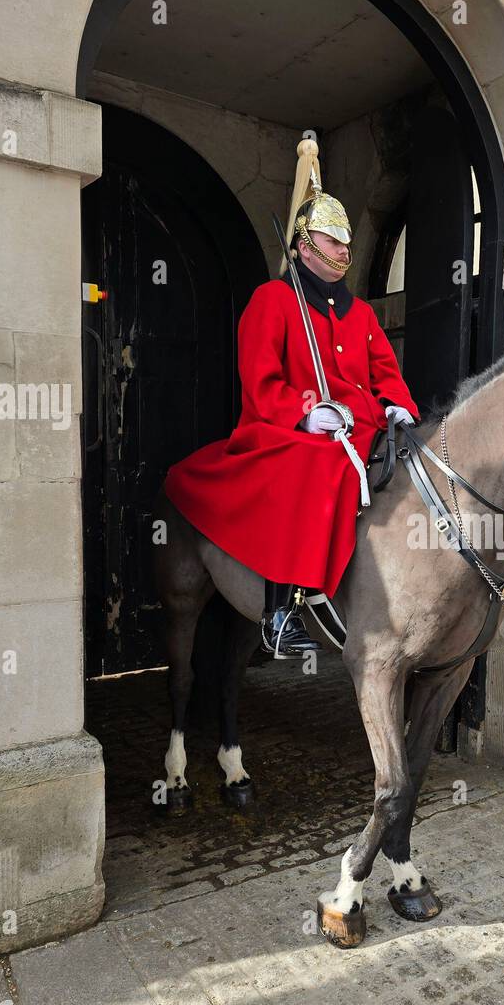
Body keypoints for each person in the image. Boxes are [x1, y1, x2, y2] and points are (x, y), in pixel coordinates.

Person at [163, 138, 419, 657]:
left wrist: (395, 403)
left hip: (362, 425)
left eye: (348, 242)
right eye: (333, 240)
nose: (345, 250)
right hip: (284, 428)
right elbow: (261, 382)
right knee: (314, 460)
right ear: (304, 246)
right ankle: (283, 609)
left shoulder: (363, 315)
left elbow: (385, 373)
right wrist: (306, 414)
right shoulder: (273, 301)